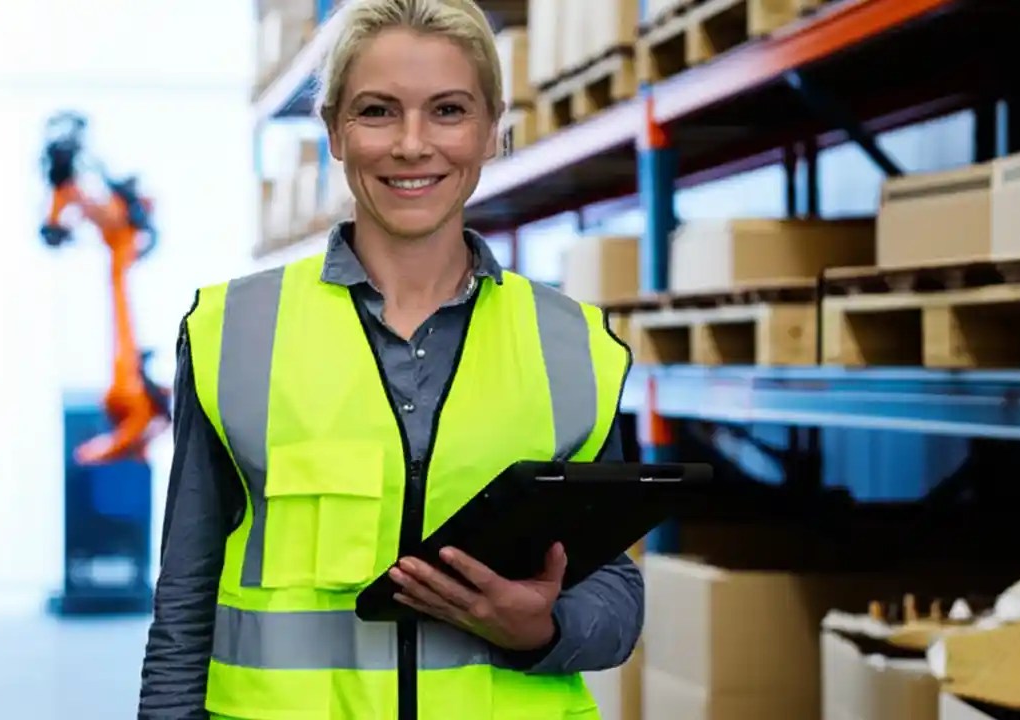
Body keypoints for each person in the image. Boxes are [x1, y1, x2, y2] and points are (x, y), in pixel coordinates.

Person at [138, 0, 642, 717]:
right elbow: (185, 602)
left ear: (491, 130)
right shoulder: (236, 332)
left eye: (448, 111)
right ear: (334, 131)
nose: (412, 145)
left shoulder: (570, 346)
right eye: (377, 112)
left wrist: (545, 628)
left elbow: (614, 589)